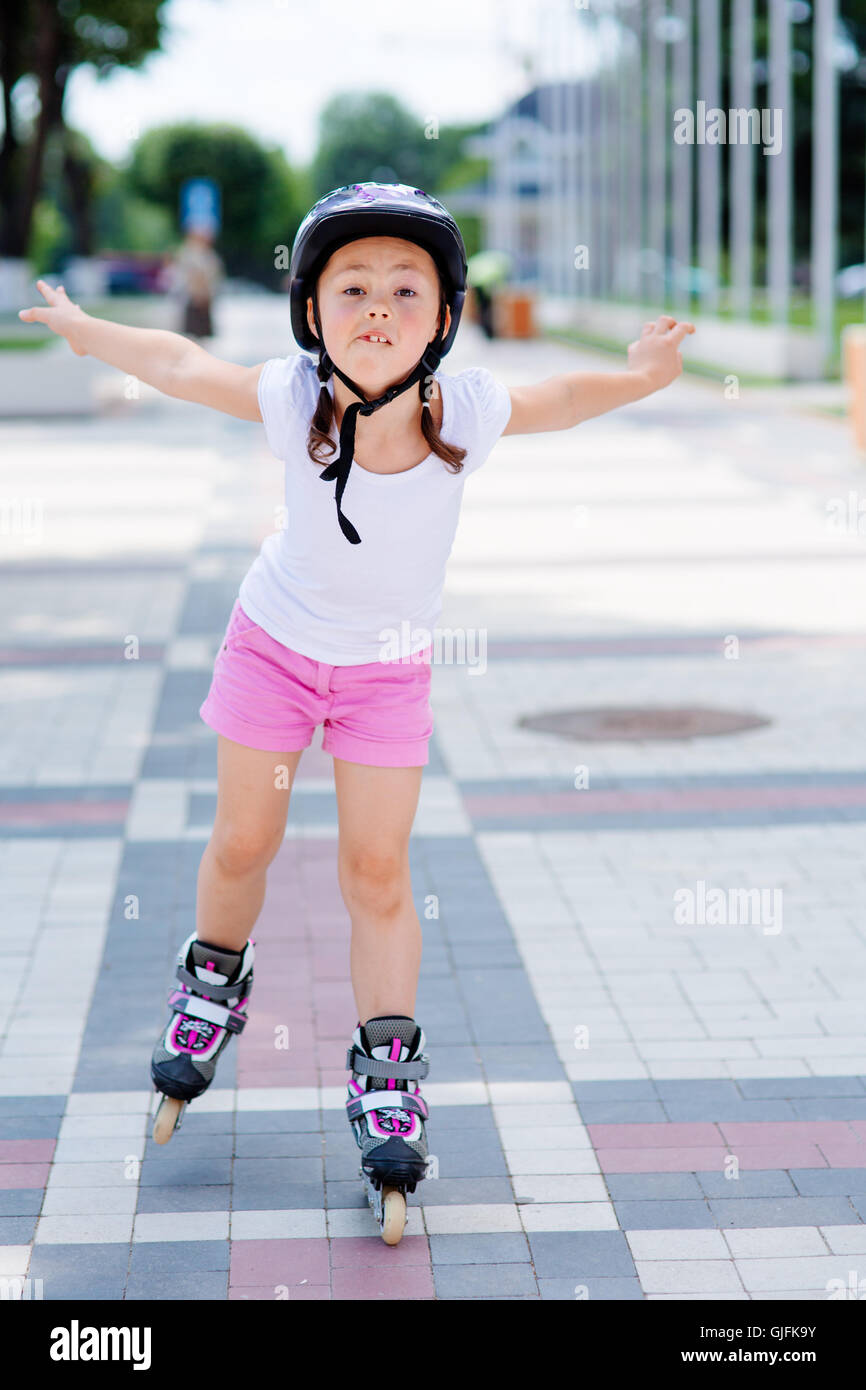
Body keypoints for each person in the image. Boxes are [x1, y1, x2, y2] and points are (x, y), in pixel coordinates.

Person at [19, 183, 694, 1212]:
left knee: (377, 870)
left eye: (403, 289)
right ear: (310, 312)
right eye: (352, 288)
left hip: (386, 673)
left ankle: (386, 1074)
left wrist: (642, 376)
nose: (376, 307)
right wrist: (83, 331)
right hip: (274, 648)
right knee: (244, 842)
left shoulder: (460, 410)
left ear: (441, 317)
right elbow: (178, 362)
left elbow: (557, 399)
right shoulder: (293, 399)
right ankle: (210, 980)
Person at [171, 223, 224, 340]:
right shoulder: (191, 254)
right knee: (192, 336)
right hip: (195, 299)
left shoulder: (208, 255)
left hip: (202, 300)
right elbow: (193, 277)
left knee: (199, 336)